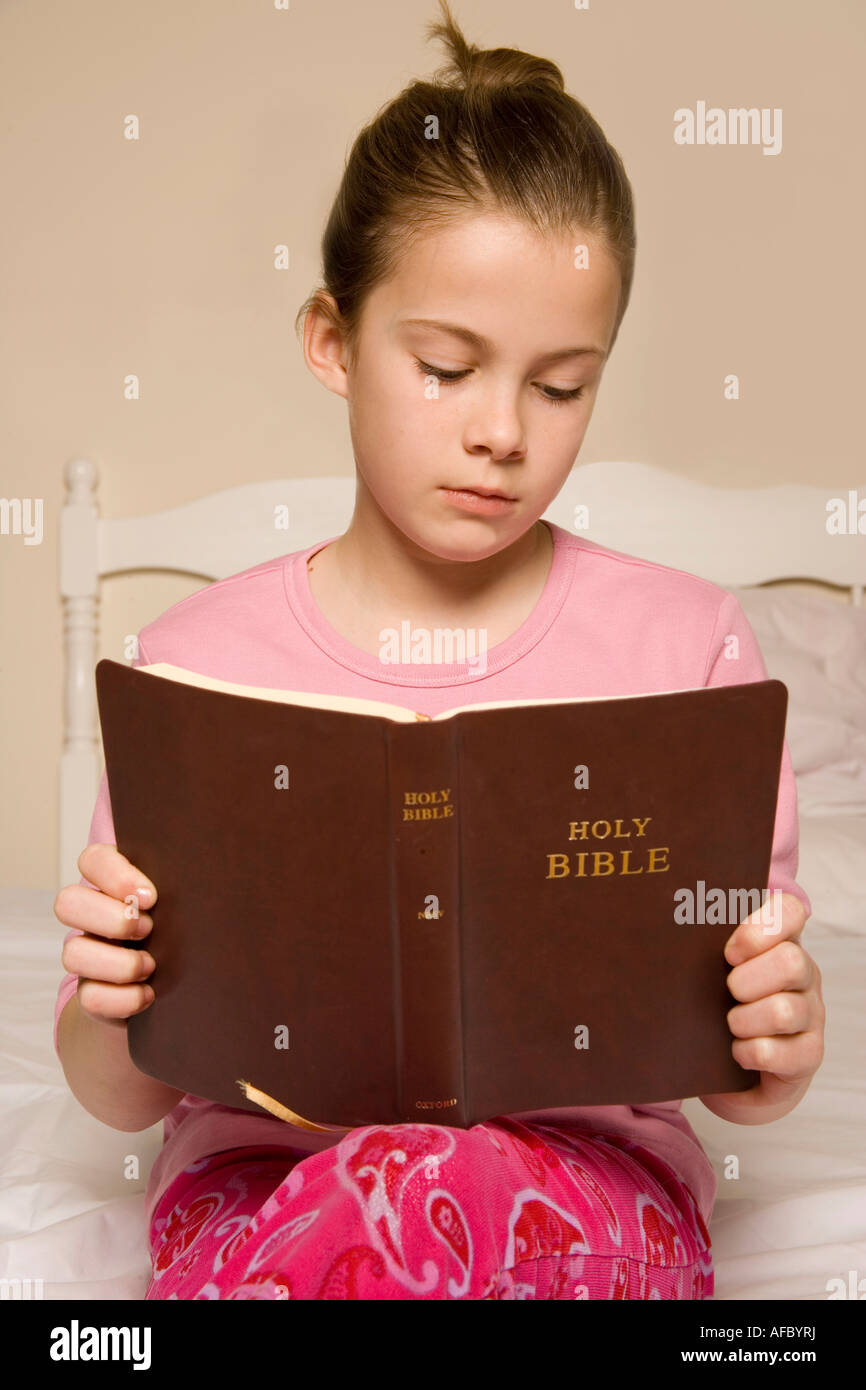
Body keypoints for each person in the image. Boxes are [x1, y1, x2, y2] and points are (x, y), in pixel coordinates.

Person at [52, 0, 824, 1301]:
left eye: (560, 383)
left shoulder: (688, 645)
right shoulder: (190, 668)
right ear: (333, 341)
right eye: (447, 366)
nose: (501, 433)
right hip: (262, 1189)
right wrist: (115, 1000)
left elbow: (733, 1073)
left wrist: (773, 1045)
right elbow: (113, 1093)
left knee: (473, 1198)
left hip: (588, 1187)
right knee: (376, 1203)